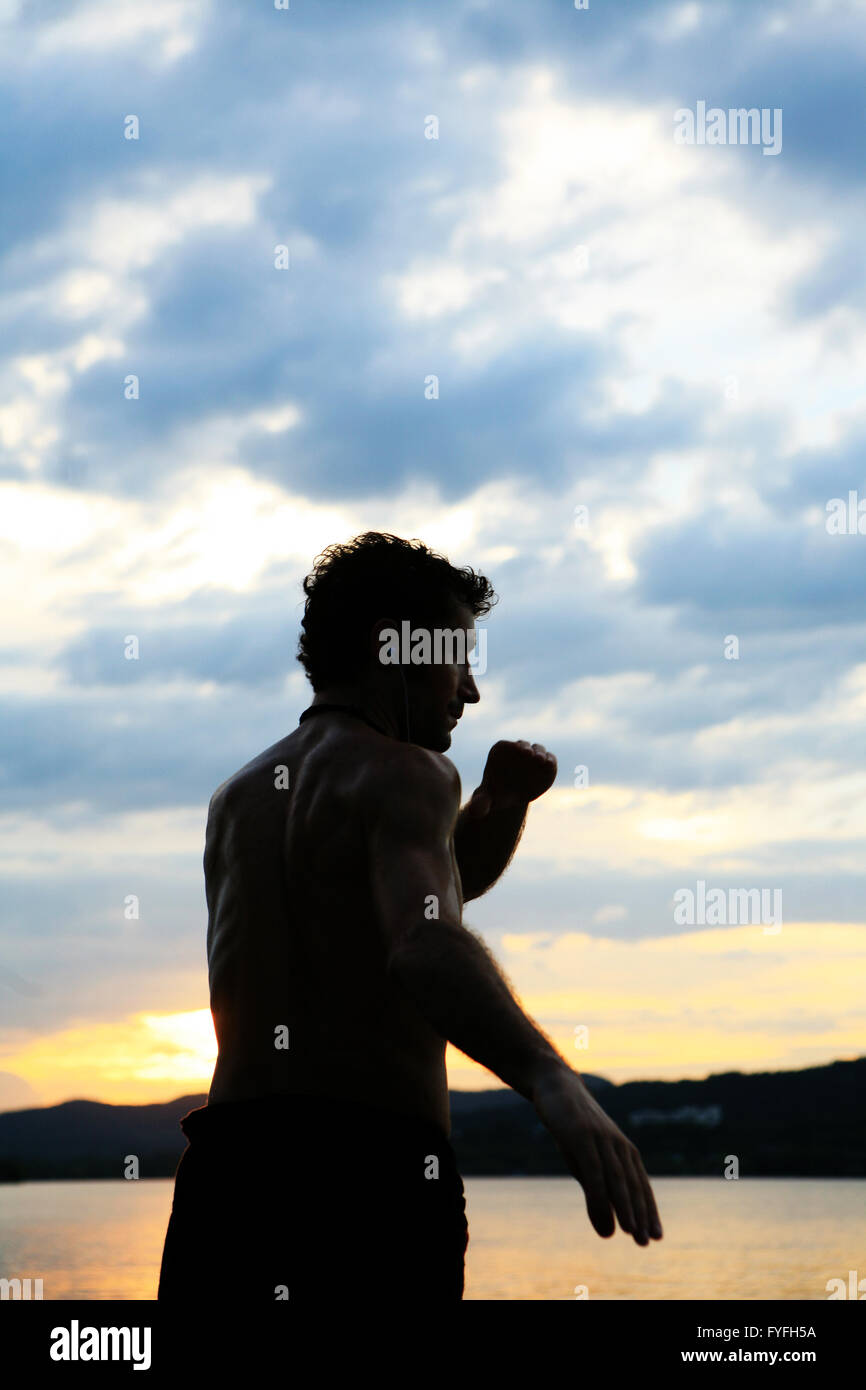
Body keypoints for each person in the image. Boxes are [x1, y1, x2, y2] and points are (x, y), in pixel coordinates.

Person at [157, 532, 662, 1305]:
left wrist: (496, 806)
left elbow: (410, 904)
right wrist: (551, 1078)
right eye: (458, 657)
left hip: (227, 1182)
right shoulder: (410, 773)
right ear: (393, 650)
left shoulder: (237, 799)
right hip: (367, 1182)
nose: (470, 691)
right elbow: (423, 942)